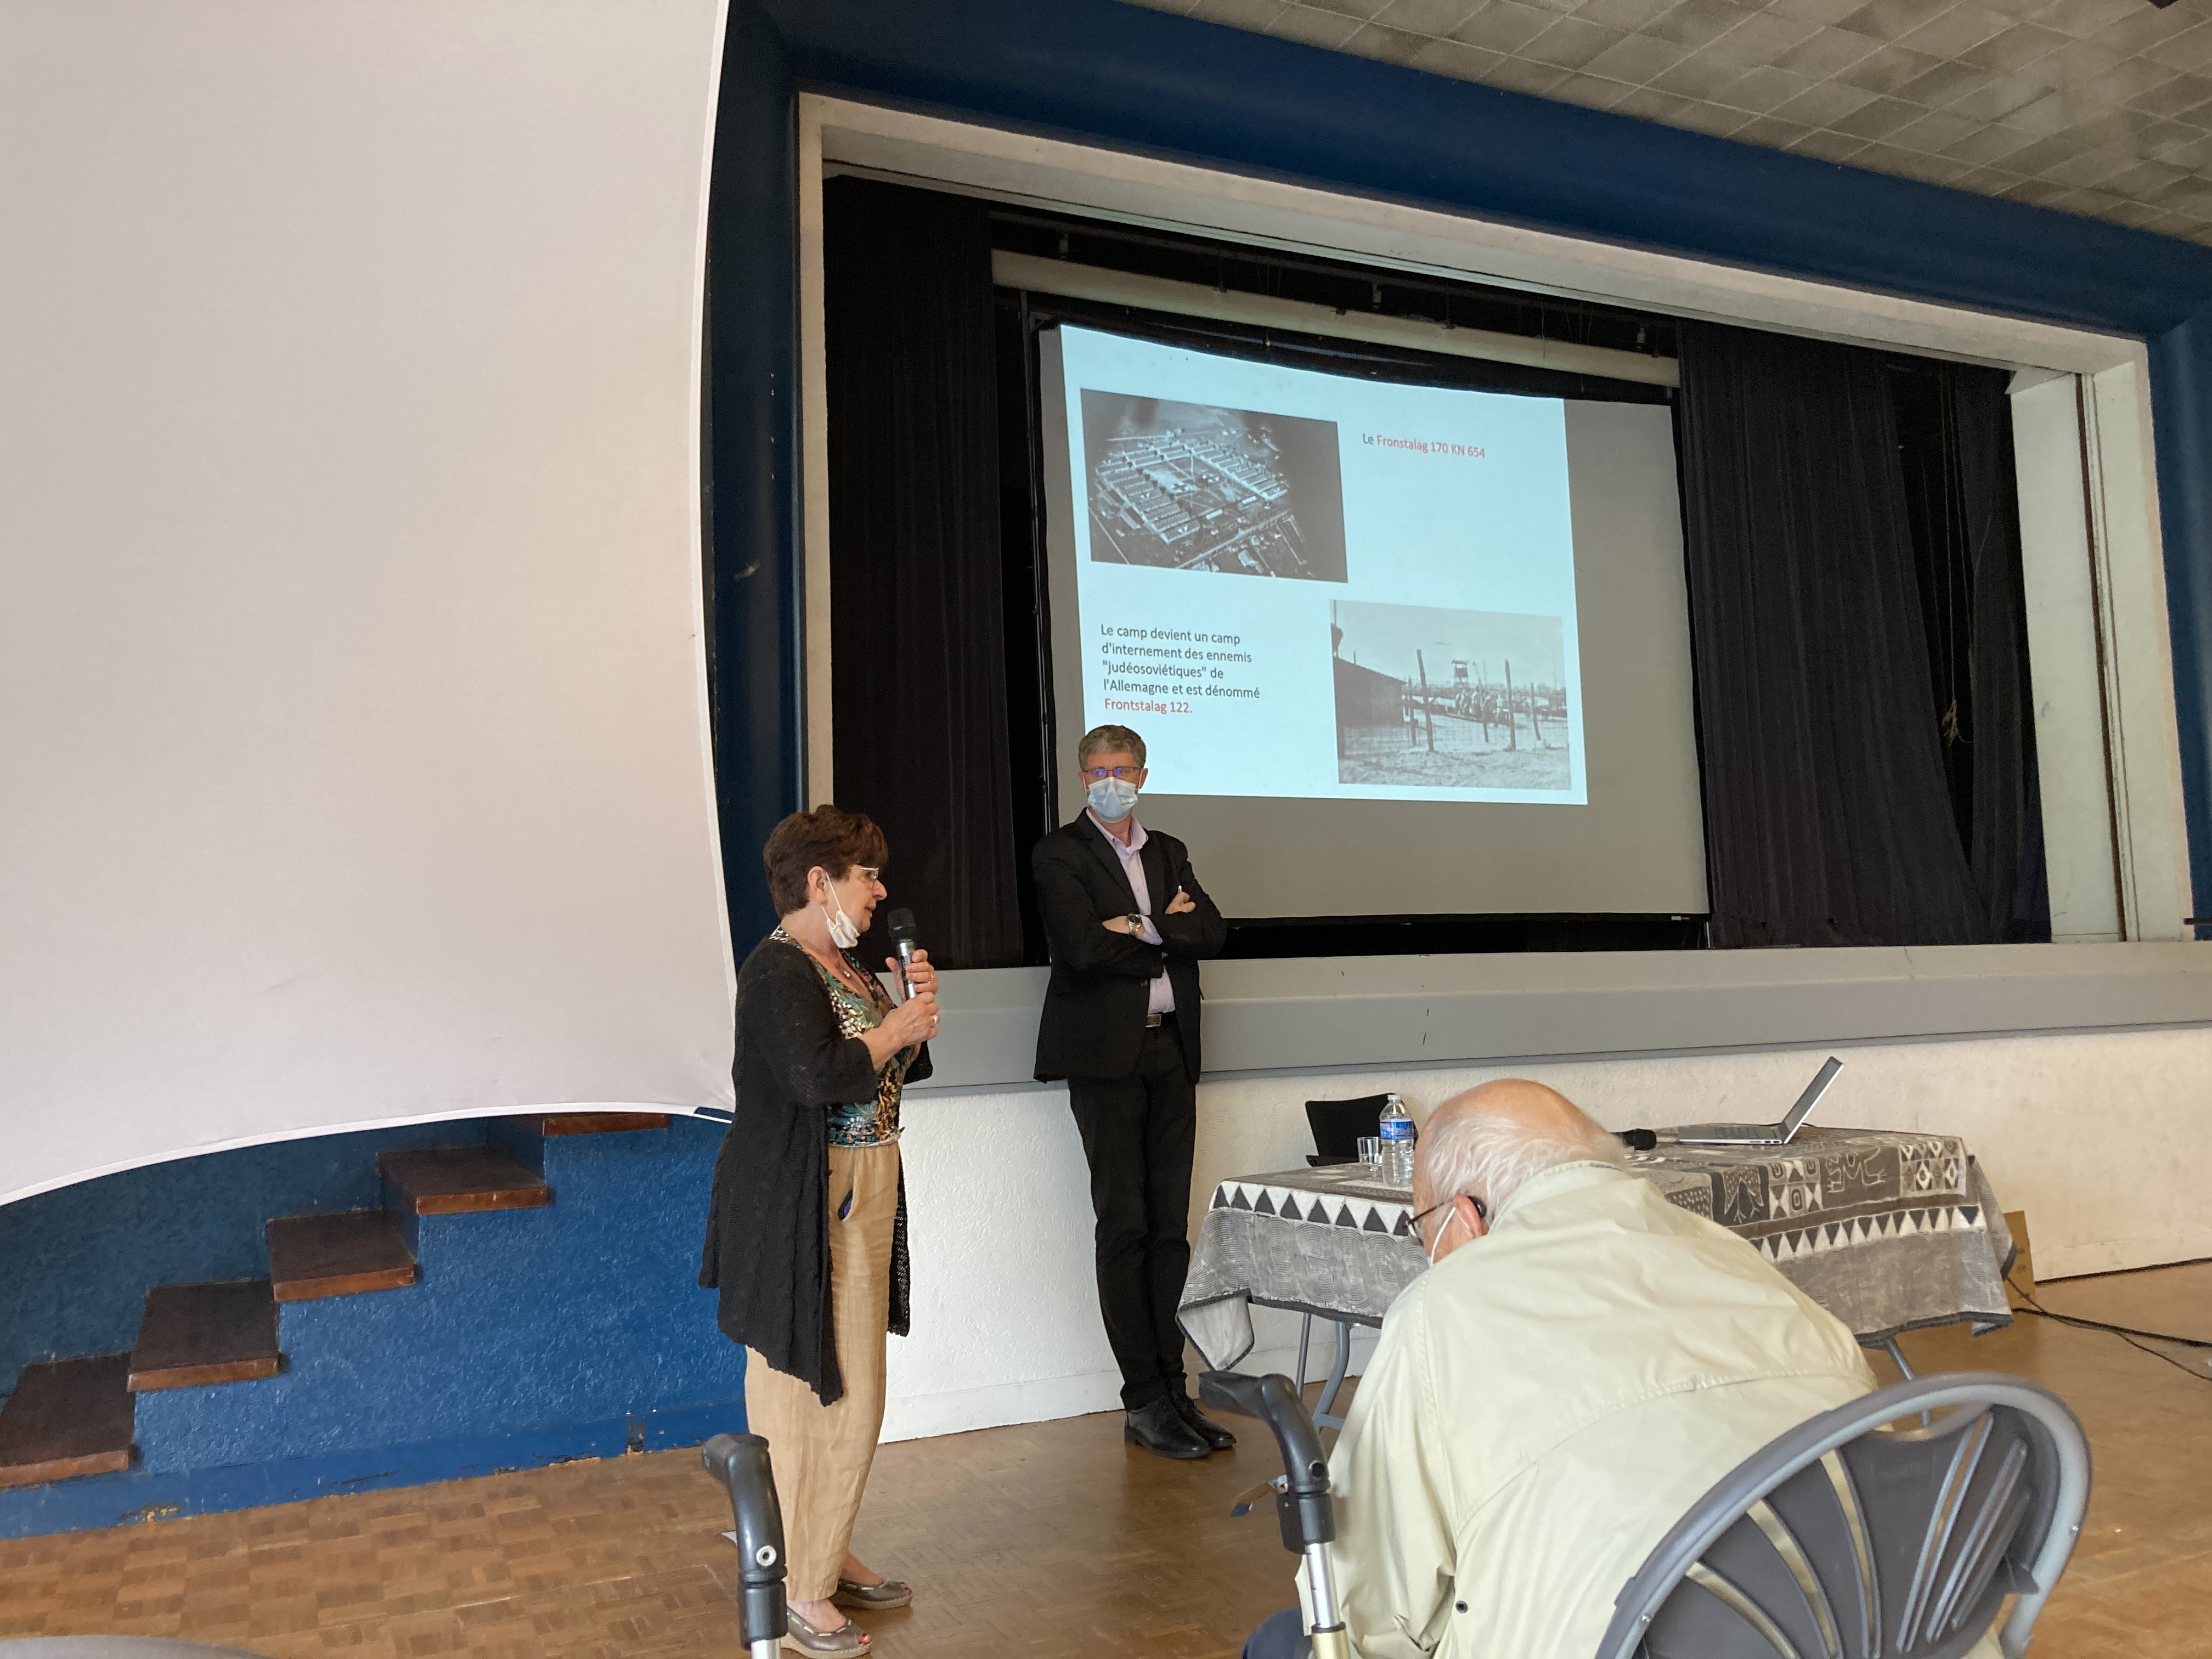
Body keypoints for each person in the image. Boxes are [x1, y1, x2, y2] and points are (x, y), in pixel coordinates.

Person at [1239, 1080, 2012, 1659]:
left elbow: (1370, 1611)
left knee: (1285, 1640)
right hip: (1867, 1633)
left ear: (1467, 1216)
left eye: (1423, 1231)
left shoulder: (1442, 1311)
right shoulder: (1746, 1265)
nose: (1426, 1253)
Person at [699, 806, 939, 1658]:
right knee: (819, 1388)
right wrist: (891, 1033)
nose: (880, 891)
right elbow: (815, 1077)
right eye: (865, 875)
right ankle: (799, 1588)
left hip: (859, 1185)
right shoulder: (778, 970)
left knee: (847, 1378)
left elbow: (880, 1073)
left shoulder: (845, 963)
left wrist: (907, 1021)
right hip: (804, 1197)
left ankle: (823, 1552)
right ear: (819, 883)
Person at [1032, 723, 1233, 1460]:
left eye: (1120, 768)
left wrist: (1135, 925)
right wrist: (1163, 928)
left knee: (1169, 1231)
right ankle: (1142, 1399)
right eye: (1095, 771)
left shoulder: (1169, 851)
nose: (1107, 780)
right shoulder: (1060, 853)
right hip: (1107, 1058)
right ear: (1082, 778)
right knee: (1124, 1226)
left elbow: (1211, 932)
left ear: (1142, 775)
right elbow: (1080, 947)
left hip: (1172, 1054)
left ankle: (1175, 1389)